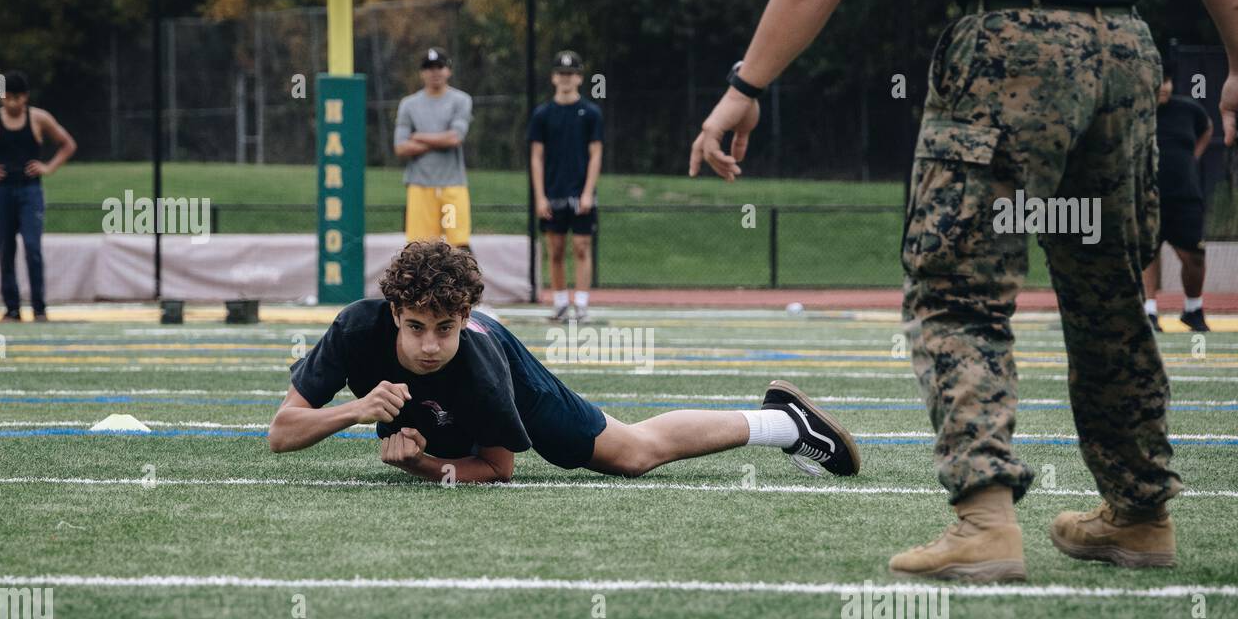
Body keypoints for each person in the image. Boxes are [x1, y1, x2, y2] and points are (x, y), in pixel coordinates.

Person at [689, 0, 1238, 580]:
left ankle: (986, 521)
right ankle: (1141, 514)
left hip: (1009, 49)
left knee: (957, 292)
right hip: (1122, 53)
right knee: (1111, 296)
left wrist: (745, 87)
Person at [268, 240, 860, 483]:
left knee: (632, 454)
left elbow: (498, 470)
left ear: (467, 314)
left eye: (445, 328)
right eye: (417, 326)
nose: (429, 344)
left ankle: (783, 424)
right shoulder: (353, 328)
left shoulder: (480, 362)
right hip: (428, 405)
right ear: (394, 311)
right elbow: (280, 433)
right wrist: (354, 412)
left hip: (515, 382)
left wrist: (420, 465)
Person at [0, 70, 77, 322]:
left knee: (33, 247)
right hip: (2, 191)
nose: (12, 103)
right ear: (1, 97)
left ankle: (39, 307)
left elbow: (67, 143)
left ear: (25, 97)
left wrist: (49, 167)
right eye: (7, 97)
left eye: (17, 97)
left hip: (30, 190)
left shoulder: (39, 118)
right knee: (5, 248)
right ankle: (12, 308)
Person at [529, 50, 604, 322]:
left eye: (571, 74)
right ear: (553, 77)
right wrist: (540, 196)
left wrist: (587, 191)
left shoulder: (591, 113)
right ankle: (560, 302)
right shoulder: (543, 114)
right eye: (561, 74)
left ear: (580, 78)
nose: (566, 79)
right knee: (556, 248)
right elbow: (536, 157)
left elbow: (596, 153)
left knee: (582, 247)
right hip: (552, 191)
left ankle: (581, 304)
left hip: (580, 191)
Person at [1144, 59, 1214, 332]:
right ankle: (1149, 312)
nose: (1165, 87)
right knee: (1148, 253)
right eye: (1160, 80)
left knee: (1194, 255)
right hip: (1147, 193)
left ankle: (1193, 309)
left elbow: (1207, 127)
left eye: (1168, 80)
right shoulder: (1138, 111)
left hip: (1184, 194)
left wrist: (1193, 158)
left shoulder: (1188, 109)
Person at [394, 48, 474, 250]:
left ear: (448, 70)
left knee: (458, 245)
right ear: (422, 73)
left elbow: (455, 138)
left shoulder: (461, 100)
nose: (435, 72)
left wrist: (419, 136)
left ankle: (459, 283)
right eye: (429, 68)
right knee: (420, 248)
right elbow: (401, 147)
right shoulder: (409, 104)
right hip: (420, 185)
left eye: (439, 67)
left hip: (451, 186)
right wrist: (440, 139)